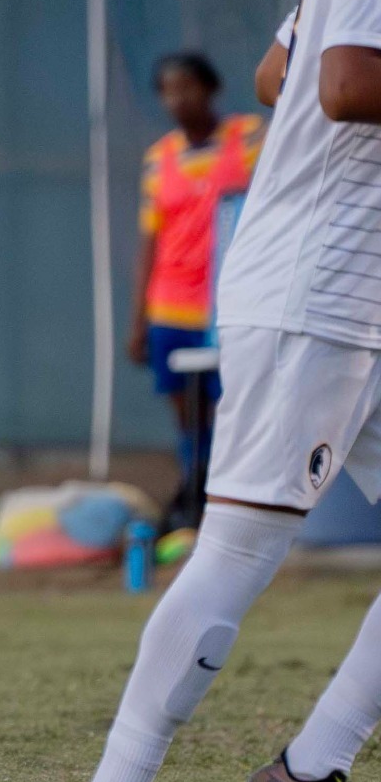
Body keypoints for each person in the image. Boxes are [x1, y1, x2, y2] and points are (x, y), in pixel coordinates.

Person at [54, 0, 381, 782]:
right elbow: (341, 85)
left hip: (354, 289)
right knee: (238, 543)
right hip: (311, 288)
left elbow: (274, 71)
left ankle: (311, 768)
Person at [124, 54, 262, 531]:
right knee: (188, 415)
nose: (178, 99)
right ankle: (194, 496)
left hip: (231, 304)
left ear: (211, 88)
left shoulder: (247, 139)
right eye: (168, 90)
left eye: (187, 87)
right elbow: (150, 241)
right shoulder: (159, 159)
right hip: (172, 306)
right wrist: (138, 319)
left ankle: (229, 503)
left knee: (233, 408)